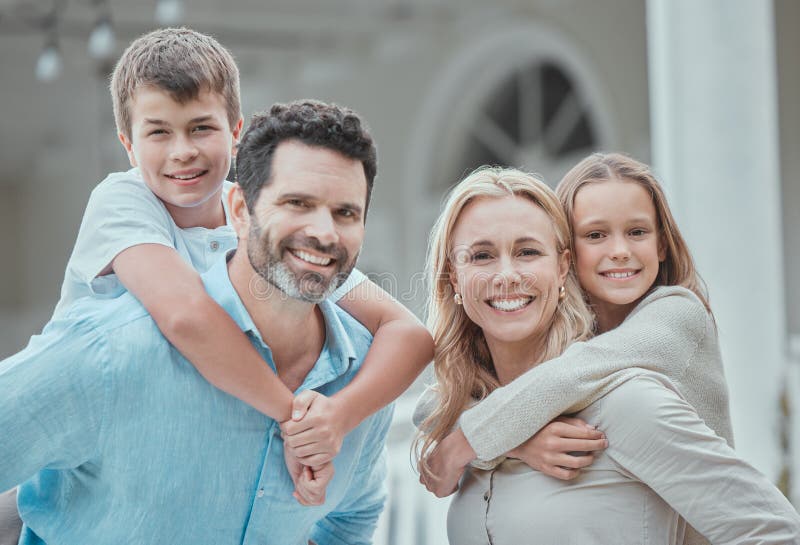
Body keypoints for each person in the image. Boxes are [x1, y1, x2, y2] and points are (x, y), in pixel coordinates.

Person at [0, 27, 433, 544]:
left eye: (201, 128)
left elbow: (407, 333)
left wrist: (335, 419)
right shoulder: (125, 203)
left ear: (234, 130)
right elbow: (185, 315)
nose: (183, 152)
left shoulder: (271, 229)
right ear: (128, 145)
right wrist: (292, 420)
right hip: (63, 457)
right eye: (159, 133)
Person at [414, 166, 800, 544]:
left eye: (528, 251)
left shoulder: (635, 382)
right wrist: (511, 442)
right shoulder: (487, 409)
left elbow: (771, 530)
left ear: (561, 266)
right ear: (453, 277)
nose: (618, 251)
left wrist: (467, 443)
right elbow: (431, 410)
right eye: (481, 256)